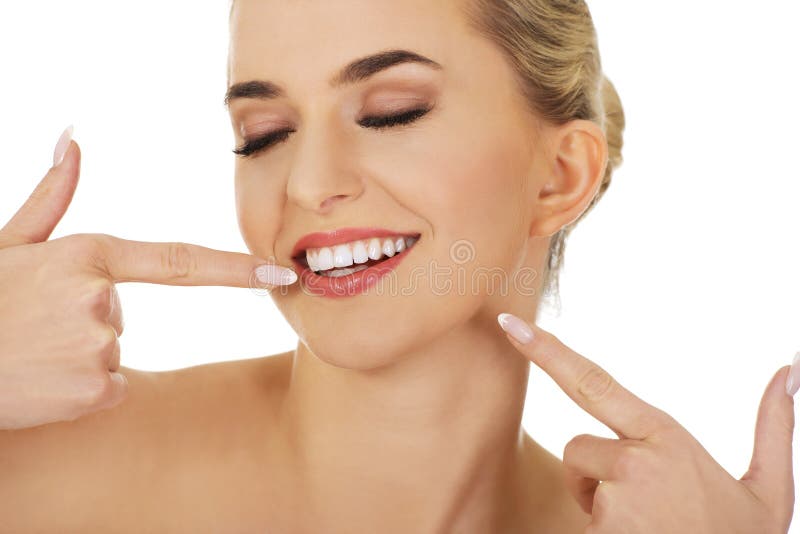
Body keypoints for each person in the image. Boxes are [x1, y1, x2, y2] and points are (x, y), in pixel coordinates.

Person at [0, 1, 795, 532]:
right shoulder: (55, 464)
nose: (309, 183)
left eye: (391, 113)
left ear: (559, 176)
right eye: (264, 133)